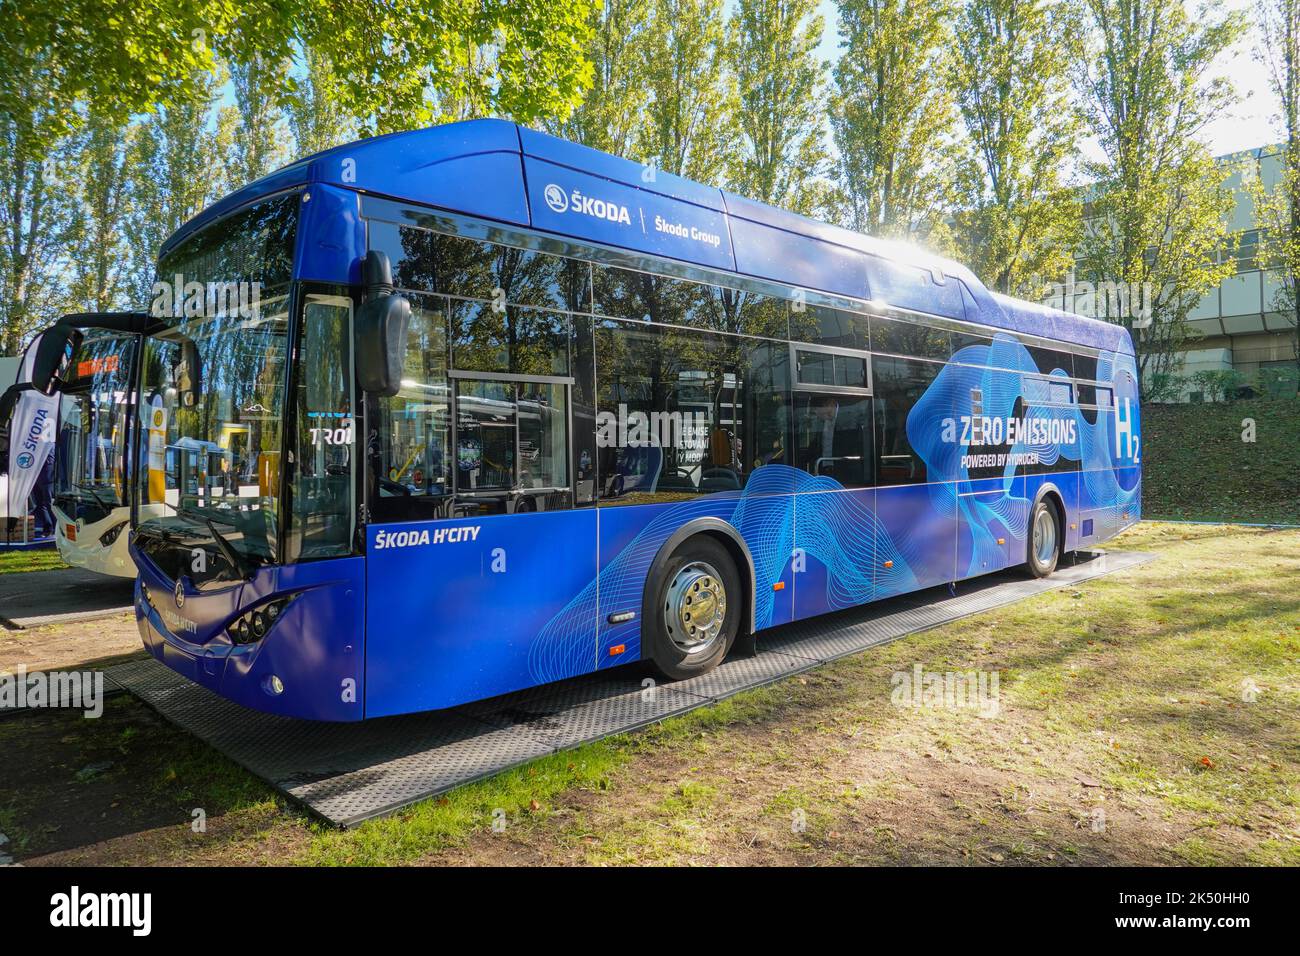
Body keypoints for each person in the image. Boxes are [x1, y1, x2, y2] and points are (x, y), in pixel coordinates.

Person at [30, 448, 56, 538]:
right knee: (40, 505)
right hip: (35, 477)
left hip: (46, 477)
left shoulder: (49, 442)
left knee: (49, 504)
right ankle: (48, 528)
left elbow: (50, 459)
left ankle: (57, 529)